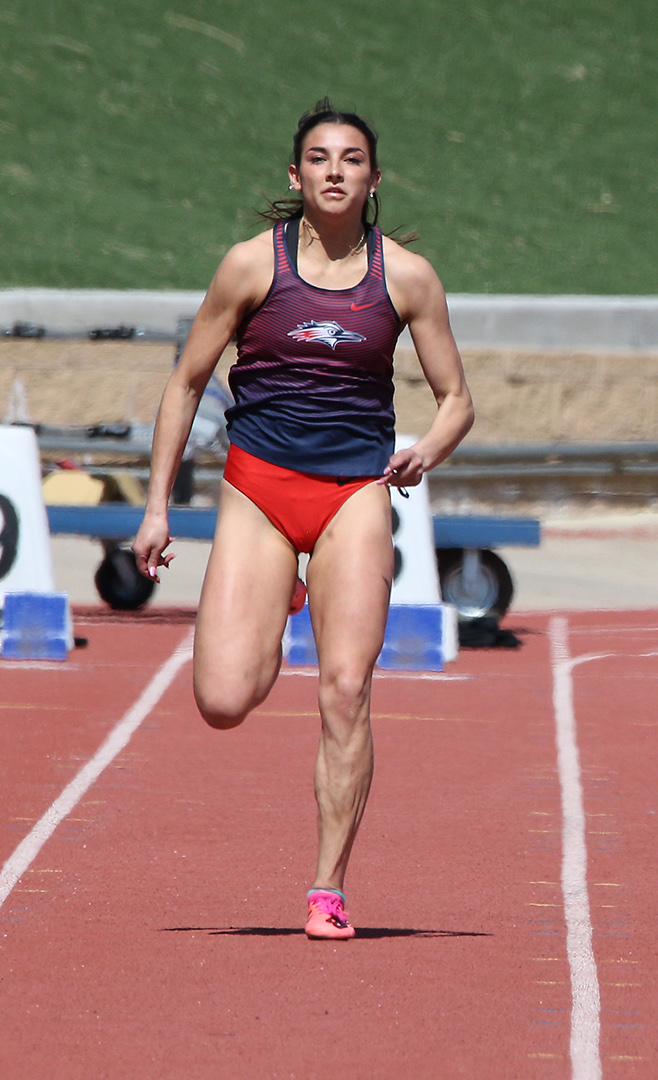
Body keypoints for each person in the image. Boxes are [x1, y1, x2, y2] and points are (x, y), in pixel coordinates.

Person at [132, 99, 474, 939]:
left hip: (353, 493)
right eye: (318, 157)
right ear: (295, 176)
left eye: (351, 158)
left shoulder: (407, 277)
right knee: (221, 699)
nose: (333, 170)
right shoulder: (252, 266)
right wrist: (156, 506)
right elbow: (184, 384)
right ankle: (279, 601)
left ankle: (329, 889)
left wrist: (427, 447)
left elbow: (458, 398)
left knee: (348, 688)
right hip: (258, 488)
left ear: (372, 179)